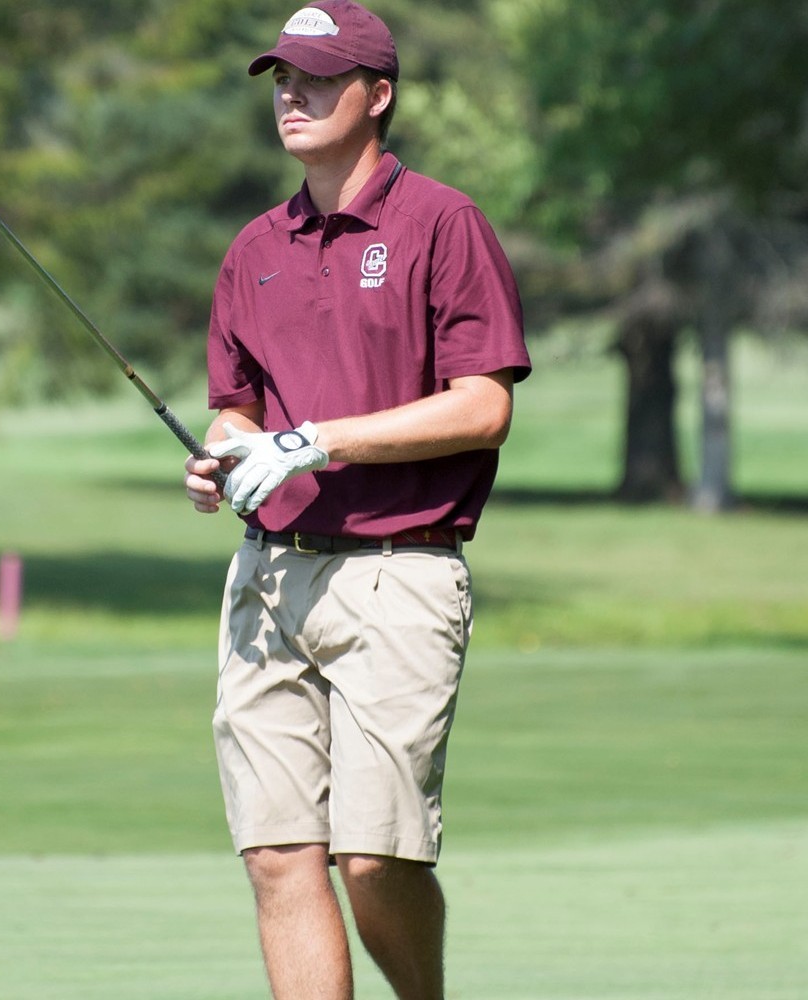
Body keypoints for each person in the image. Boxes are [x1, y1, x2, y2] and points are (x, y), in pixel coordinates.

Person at [182, 2, 532, 997]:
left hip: (400, 571)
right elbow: (234, 410)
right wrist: (224, 460)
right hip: (269, 580)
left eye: (318, 77)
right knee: (278, 856)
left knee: (373, 859)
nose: (291, 94)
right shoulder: (254, 244)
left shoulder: (441, 224)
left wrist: (316, 440)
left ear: (376, 95)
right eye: (282, 78)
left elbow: (483, 405)